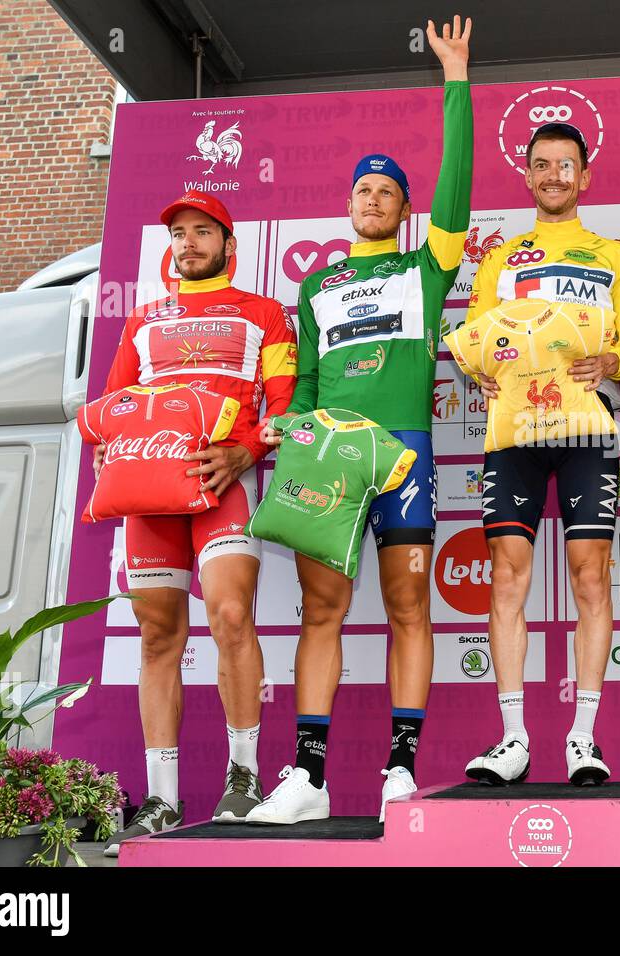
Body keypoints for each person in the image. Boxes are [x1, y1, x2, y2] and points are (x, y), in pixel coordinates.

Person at [244, 16, 473, 825]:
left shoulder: (426, 267)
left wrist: (456, 82)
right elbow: (302, 382)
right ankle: (308, 778)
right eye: (361, 190)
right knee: (322, 611)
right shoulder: (317, 287)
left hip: (403, 454)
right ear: (347, 206)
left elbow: (457, 188)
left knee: (411, 607)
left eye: (387, 192)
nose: (373, 199)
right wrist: (290, 428)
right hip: (325, 461)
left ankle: (401, 768)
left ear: (407, 211)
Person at [100, 190, 297, 855]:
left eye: (201, 232)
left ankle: (243, 778)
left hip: (223, 483)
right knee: (157, 636)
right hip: (151, 488)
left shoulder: (264, 313)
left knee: (231, 618)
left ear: (229, 245)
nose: (187, 243)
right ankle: (162, 797)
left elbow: (287, 405)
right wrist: (108, 437)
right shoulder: (144, 319)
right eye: (178, 234)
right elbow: (114, 402)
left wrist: (248, 451)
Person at [462, 120, 620, 786]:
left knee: (589, 574)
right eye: (541, 165)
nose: (552, 176)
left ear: (584, 176)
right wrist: (480, 369)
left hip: (585, 431)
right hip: (513, 433)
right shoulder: (501, 258)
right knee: (508, 577)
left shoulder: (613, 256)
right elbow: (479, 338)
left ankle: (583, 739)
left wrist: (614, 359)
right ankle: (513, 739)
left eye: (564, 166)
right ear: (528, 174)